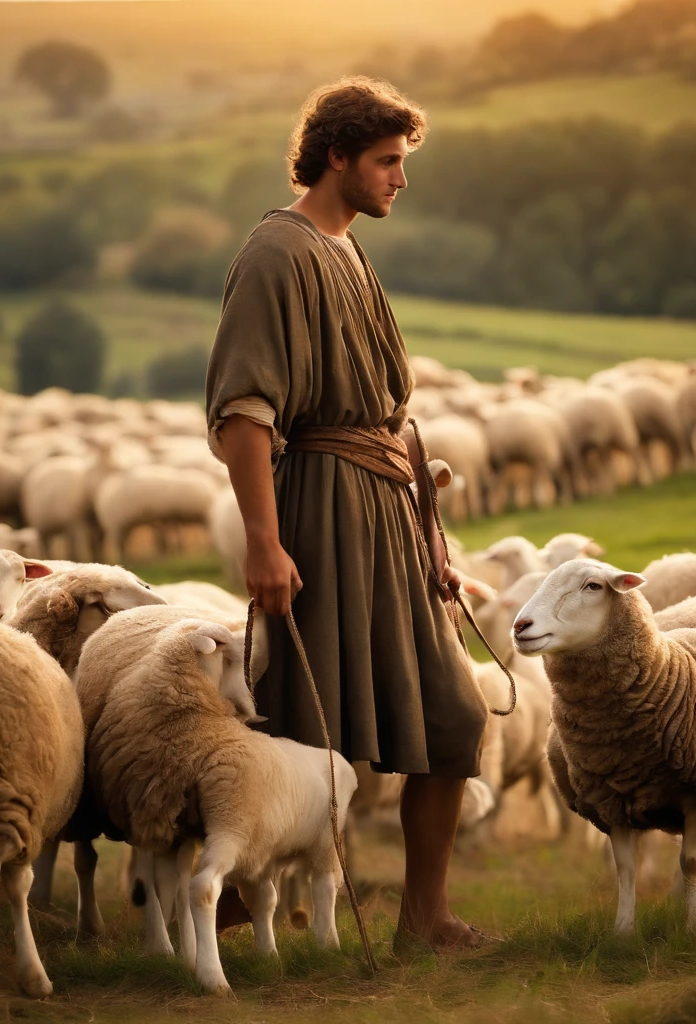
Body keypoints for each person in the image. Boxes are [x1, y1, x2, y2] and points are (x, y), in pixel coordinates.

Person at [205, 76, 489, 948]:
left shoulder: (350, 250)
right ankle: (220, 903)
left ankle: (424, 917)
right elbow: (246, 410)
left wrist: (430, 538)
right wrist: (263, 542)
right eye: (387, 162)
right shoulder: (276, 253)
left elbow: (390, 419)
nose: (400, 179)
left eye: (402, 162)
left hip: (387, 513)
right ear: (337, 156)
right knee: (301, 720)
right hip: (319, 514)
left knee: (455, 717)